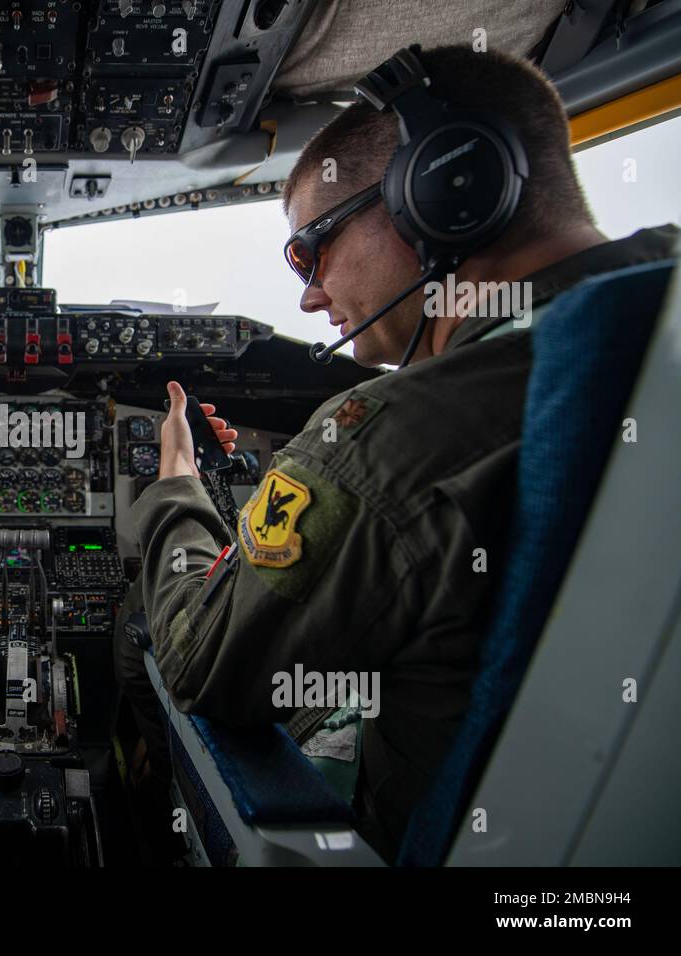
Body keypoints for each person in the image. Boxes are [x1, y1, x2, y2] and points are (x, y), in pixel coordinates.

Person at [115, 43, 678, 860]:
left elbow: (202, 657)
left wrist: (175, 485)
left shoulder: (397, 429)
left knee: (149, 635)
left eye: (311, 248)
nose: (309, 294)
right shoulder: (652, 328)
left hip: (415, 827)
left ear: (441, 191)